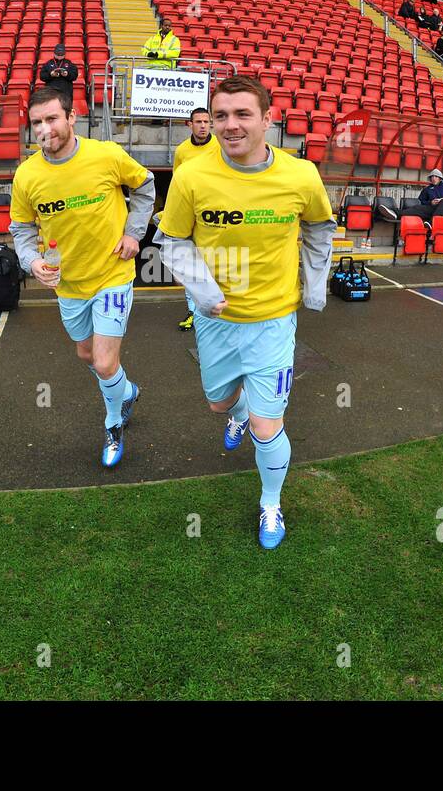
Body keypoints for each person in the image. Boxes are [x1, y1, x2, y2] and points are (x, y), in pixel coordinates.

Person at [155, 75, 335, 549]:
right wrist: (203, 289)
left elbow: (320, 228)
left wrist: (314, 287)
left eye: (242, 114)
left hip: (273, 321)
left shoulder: (301, 175)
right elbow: (172, 241)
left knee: (266, 424)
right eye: (220, 116)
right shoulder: (192, 175)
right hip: (215, 319)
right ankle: (236, 412)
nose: (230, 125)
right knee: (220, 403)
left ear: (267, 119)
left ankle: (271, 504)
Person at [9, 88, 155, 468]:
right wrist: (31, 262)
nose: (44, 128)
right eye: (37, 122)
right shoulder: (27, 176)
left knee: (105, 362)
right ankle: (127, 392)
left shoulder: (105, 155)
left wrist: (134, 234)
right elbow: (21, 228)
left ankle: (112, 425)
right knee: (86, 354)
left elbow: (144, 186)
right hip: (68, 285)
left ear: (72, 117)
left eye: (52, 118)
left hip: (112, 274)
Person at [171, 107, 222, 332]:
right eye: (198, 121)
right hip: (192, 214)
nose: (203, 125)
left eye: (206, 121)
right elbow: (177, 183)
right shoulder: (182, 151)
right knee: (192, 266)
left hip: (217, 214)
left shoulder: (220, 146)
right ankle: (194, 311)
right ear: (189, 124)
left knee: (216, 262)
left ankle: (219, 307)